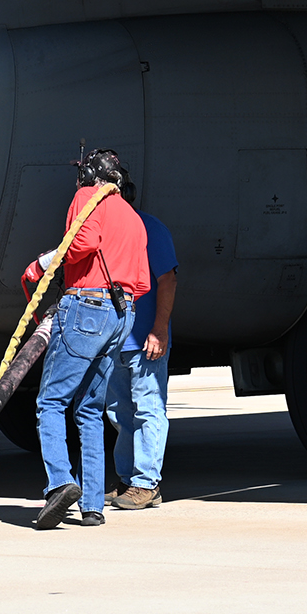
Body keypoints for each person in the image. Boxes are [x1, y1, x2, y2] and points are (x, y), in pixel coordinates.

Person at [32, 149, 150, 530]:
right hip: (123, 314)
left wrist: (46, 262)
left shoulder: (87, 198)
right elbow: (143, 282)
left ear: (89, 177)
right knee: (89, 409)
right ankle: (93, 505)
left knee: (50, 401)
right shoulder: (133, 216)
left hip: (88, 305)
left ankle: (61, 484)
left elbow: (81, 245)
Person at [106, 177, 178, 510]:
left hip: (145, 339)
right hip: (117, 341)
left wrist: (159, 330)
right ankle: (128, 479)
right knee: (120, 413)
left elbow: (167, 279)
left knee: (148, 409)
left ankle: (147, 483)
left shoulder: (151, 229)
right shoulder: (108, 232)